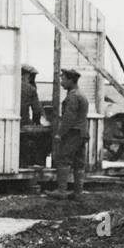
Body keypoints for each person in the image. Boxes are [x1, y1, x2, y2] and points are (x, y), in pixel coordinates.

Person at [46, 67, 88, 200]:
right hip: (82, 133)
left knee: (63, 159)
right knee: (79, 163)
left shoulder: (73, 97)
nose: (62, 82)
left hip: (73, 133)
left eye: (64, 79)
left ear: (71, 80)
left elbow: (68, 118)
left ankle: (61, 191)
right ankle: (78, 193)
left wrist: (59, 133)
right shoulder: (81, 94)